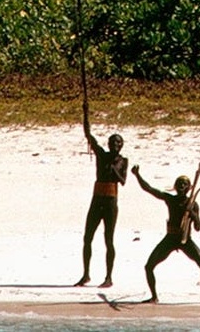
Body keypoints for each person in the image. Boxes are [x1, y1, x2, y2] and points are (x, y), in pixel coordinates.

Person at [132, 166, 200, 304]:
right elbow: (150, 189)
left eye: (184, 184)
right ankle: (154, 297)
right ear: (175, 186)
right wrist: (137, 175)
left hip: (185, 240)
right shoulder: (170, 199)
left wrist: (192, 214)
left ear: (188, 188)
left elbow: (198, 227)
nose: (181, 186)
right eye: (179, 184)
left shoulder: (193, 204)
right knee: (149, 266)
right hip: (170, 238)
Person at [74, 100, 127, 288]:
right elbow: (89, 136)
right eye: (113, 142)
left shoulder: (122, 161)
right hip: (97, 199)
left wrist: (114, 168)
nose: (115, 144)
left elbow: (122, 180)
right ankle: (86, 274)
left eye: (118, 142)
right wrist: (86, 114)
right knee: (87, 237)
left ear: (121, 146)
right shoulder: (101, 155)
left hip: (111, 200)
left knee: (108, 239)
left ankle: (108, 277)